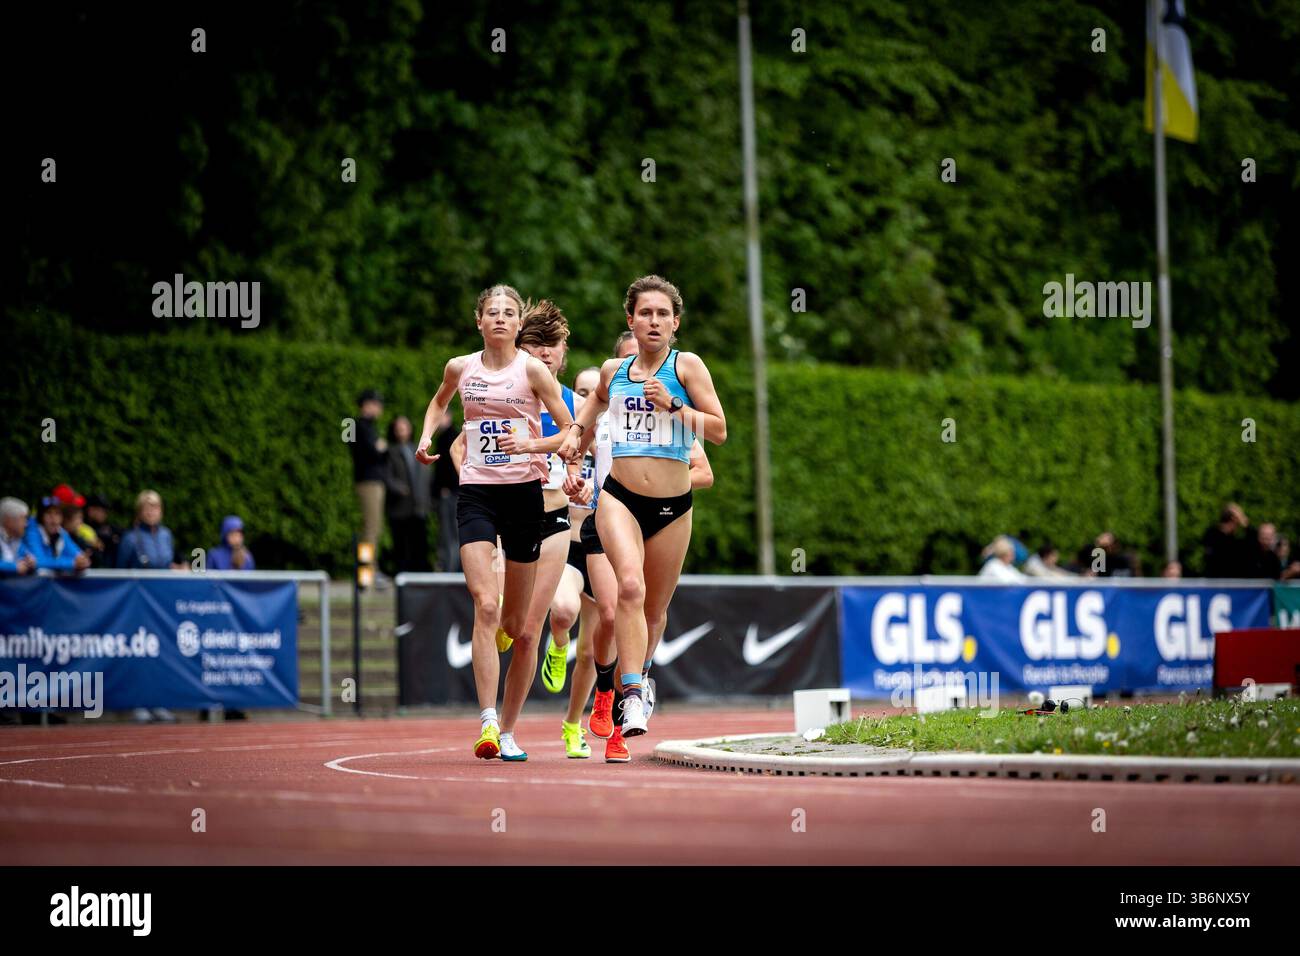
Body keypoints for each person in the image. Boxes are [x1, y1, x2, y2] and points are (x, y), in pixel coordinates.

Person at [559, 274, 727, 744]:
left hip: (673, 504)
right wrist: (576, 435)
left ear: (675, 323)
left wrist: (674, 404)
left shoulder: (687, 366)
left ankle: (642, 674)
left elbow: (718, 430)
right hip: (619, 498)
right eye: (645, 313)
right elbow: (592, 405)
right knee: (628, 587)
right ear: (630, 319)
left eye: (662, 314)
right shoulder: (615, 370)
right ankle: (629, 691)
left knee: (654, 609)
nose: (653, 321)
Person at [414, 284, 575, 761]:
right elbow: (440, 402)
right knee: (485, 605)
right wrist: (426, 437)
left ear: (517, 322)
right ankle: (488, 723)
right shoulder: (460, 367)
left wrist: (532, 448)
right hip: (478, 495)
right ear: (479, 321)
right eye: (492, 312)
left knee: (519, 626)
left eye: (509, 312)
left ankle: (509, 727)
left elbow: (570, 430)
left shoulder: (532, 372)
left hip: (526, 498)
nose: (500, 319)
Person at [385, 415, 432, 573]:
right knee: (401, 543)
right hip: (400, 505)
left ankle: (419, 574)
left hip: (418, 505)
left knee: (419, 542)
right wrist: (399, 489)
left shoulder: (417, 449)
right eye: (398, 428)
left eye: (404, 427)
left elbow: (426, 475)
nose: (401, 430)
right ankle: (402, 573)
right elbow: (387, 476)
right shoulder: (390, 451)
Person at [351, 388, 388, 582]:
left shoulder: (369, 426)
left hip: (373, 480)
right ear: (367, 404)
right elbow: (366, 451)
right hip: (368, 481)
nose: (379, 407)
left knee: (373, 528)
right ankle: (366, 574)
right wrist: (377, 448)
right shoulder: (356, 424)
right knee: (370, 529)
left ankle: (368, 571)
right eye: (376, 403)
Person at [117, 490, 186, 571]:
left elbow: (167, 564)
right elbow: (120, 573)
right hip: (138, 583)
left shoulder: (166, 535)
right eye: (147, 508)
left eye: (155, 508)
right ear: (139, 512)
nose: (151, 512)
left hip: (164, 583)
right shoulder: (130, 538)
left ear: (161, 511)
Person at [429, 410, 461, 572]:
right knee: (451, 535)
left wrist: (446, 488)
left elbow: (447, 469)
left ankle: (450, 570)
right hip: (452, 492)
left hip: (450, 493)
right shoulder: (449, 437)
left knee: (450, 535)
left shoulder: (449, 439)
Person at [25, 497, 91, 574]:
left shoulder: (61, 532)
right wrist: (71, 563)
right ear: (41, 517)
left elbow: (78, 556)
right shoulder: (32, 532)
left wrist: (83, 561)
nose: (54, 518)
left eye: (57, 513)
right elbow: (38, 561)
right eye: (49, 513)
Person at [1202, 503, 1248, 578]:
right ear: (1234, 519)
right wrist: (1245, 524)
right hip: (1217, 582)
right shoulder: (1212, 535)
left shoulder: (1235, 538)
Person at [0, 497, 37, 576]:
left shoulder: (16, 538)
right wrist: (14, 567)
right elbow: (14, 565)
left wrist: (30, 561)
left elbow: (28, 556)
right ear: (9, 521)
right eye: (23, 519)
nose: (26, 524)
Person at [84, 494, 120, 568]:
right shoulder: (82, 528)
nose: (104, 514)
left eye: (105, 511)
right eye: (100, 510)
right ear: (90, 510)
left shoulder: (111, 528)